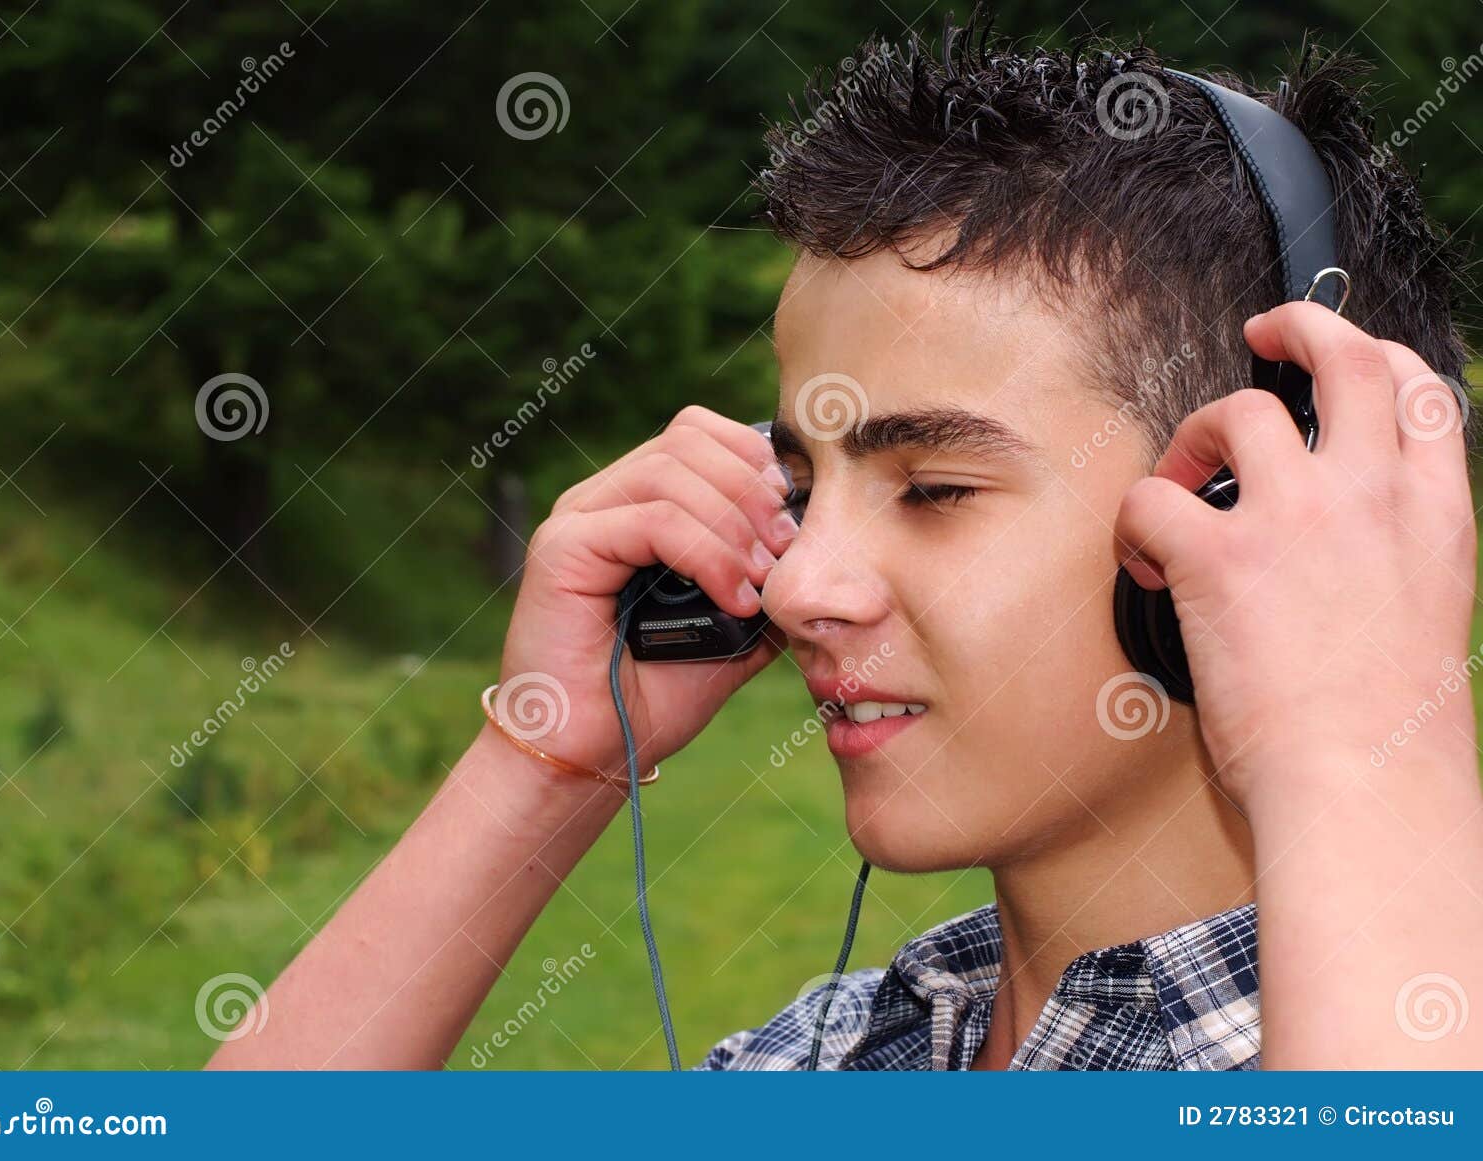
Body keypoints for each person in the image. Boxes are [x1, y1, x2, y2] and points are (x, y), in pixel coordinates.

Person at [208, 14, 1483, 1070]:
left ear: (1257, 499)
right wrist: (545, 761)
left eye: (931, 487)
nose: (798, 583)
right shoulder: (849, 1053)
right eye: (802, 481)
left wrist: (1359, 735)